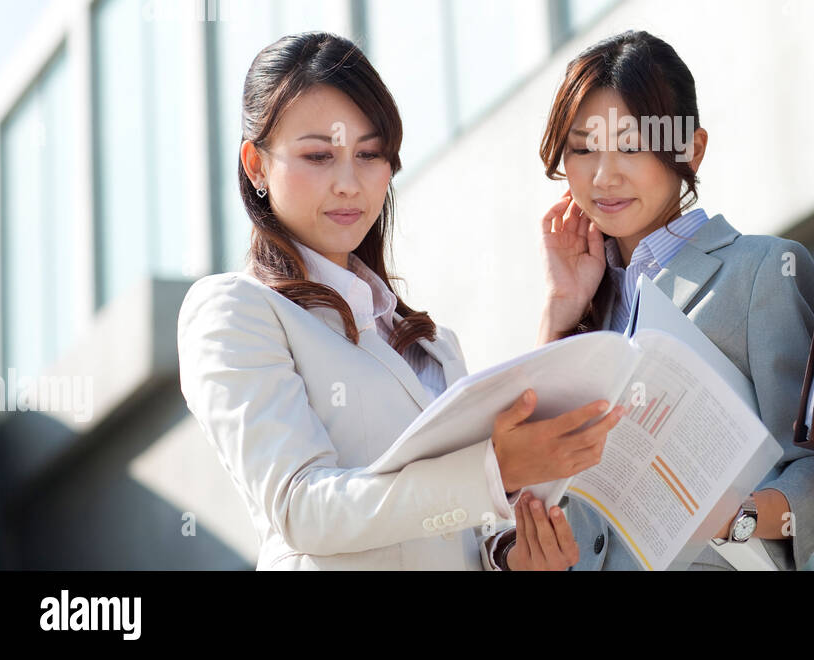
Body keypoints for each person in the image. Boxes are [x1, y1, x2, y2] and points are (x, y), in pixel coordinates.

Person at [177, 32, 623, 570]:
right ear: (256, 165)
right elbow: (301, 507)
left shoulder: (432, 344)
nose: (349, 183)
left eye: (369, 154)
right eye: (318, 155)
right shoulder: (233, 310)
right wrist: (491, 470)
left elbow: (462, 531)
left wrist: (510, 555)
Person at [486, 30, 814, 572]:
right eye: (583, 149)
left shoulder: (760, 271)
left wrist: (740, 517)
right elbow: (529, 490)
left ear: (691, 149)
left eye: (631, 145)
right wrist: (557, 311)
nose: (604, 175)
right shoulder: (579, 306)